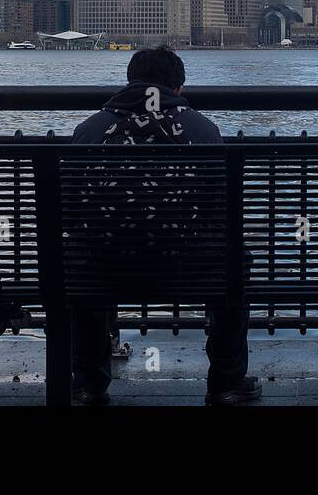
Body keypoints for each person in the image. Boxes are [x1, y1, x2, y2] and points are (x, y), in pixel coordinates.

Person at [69, 46, 260, 406]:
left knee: (82, 254)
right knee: (236, 261)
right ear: (179, 88)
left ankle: (89, 383)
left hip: (100, 271)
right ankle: (226, 381)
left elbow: (71, 215)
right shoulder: (203, 130)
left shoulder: (90, 130)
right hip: (189, 269)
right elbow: (218, 212)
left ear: (129, 82)